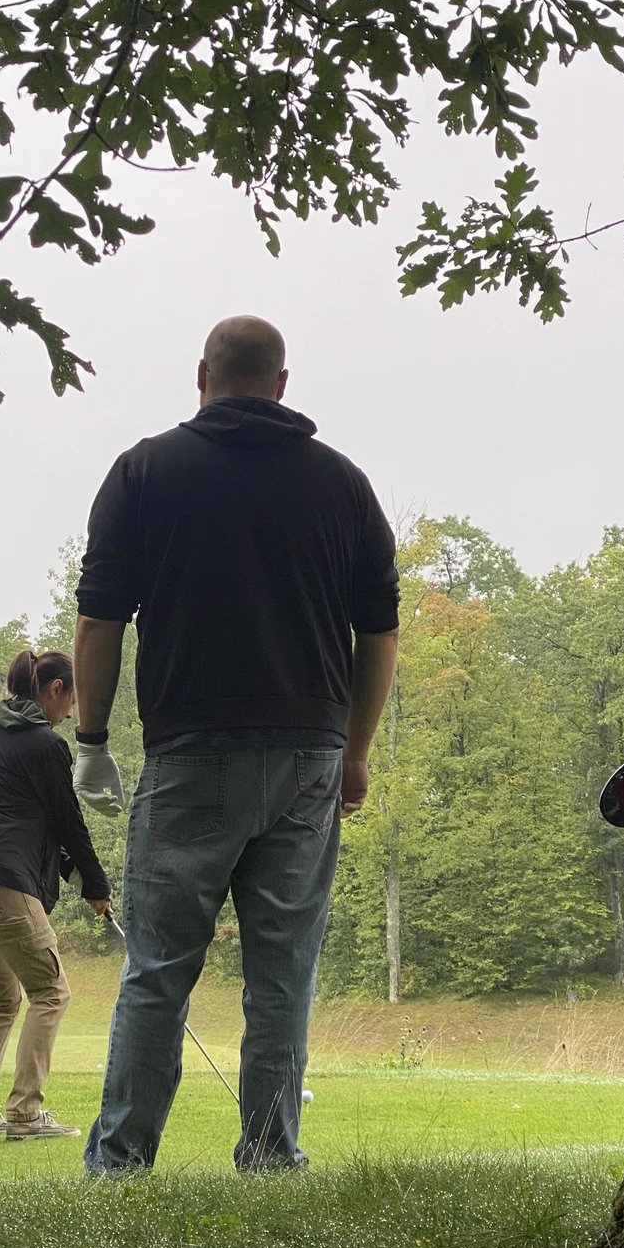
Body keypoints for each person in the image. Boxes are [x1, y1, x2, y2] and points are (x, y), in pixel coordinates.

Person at [71, 314, 400, 1174]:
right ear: (283, 385)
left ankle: (121, 1166)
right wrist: (355, 752)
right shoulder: (344, 485)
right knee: (282, 977)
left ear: (201, 377)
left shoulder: (144, 473)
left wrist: (92, 738)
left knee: (160, 971)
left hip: (192, 754)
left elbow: (101, 617)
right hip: (308, 757)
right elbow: (381, 633)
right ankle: (268, 1161)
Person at [0, 647, 112, 1141]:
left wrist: (74, 872)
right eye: (72, 699)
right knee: (50, 993)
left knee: (3, 996)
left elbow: (14, 812)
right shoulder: (45, 745)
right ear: (55, 689)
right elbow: (67, 823)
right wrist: (97, 885)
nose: (73, 712)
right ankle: (26, 1114)